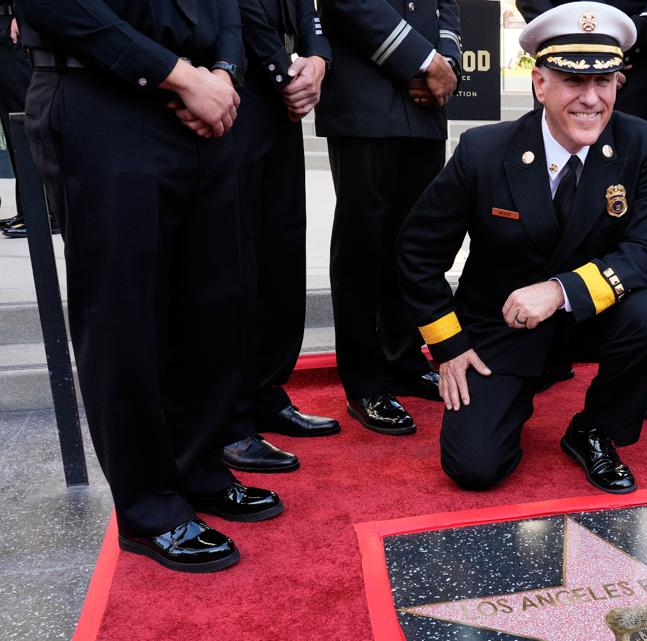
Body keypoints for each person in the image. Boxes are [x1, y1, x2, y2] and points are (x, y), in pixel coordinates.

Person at [20, 0, 284, 572]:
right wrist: (180, 76)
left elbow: (227, 8)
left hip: (201, 108)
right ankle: (150, 507)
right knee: (123, 315)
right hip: (101, 98)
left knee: (211, 305)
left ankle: (199, 468)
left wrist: (222, 75)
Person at [399, 1, 647, 494]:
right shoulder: (484, 150)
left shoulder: (641, 143)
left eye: (605, 81)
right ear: (540, 83)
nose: (591, 99)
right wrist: (449, 347)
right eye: (573, 81)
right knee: (475, 469)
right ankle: (517, 386)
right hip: (500, 325)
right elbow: (418, 253)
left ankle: (594, 429)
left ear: (619, 84)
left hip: (587, 317)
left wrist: (558, 290)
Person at [316, 0, 462, 435]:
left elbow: (446, 5)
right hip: (367, 100)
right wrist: (423, 61)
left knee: (415, 241)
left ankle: (403, 357)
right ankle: (365, 382)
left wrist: (446, 64)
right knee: (363, 248)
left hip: (424, 107)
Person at [221, 0, 342, 474]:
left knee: (282, 252)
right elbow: (241, 9)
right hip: (238, 94)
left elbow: (306, 9)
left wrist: (317, 59)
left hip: (277, 105)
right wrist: (284, 73)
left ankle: (266, 392)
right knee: (236, 263)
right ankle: (231, 416)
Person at [516, 0, 647, 132]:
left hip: (640, 69)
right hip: (562, 63)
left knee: (636, 151)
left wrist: (627, 38)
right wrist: (583, 52)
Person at [0, 3, 31, 237]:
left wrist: (22, 15)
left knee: (20, 122)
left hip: (8, 23)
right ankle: (30, 211)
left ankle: (39, 212)